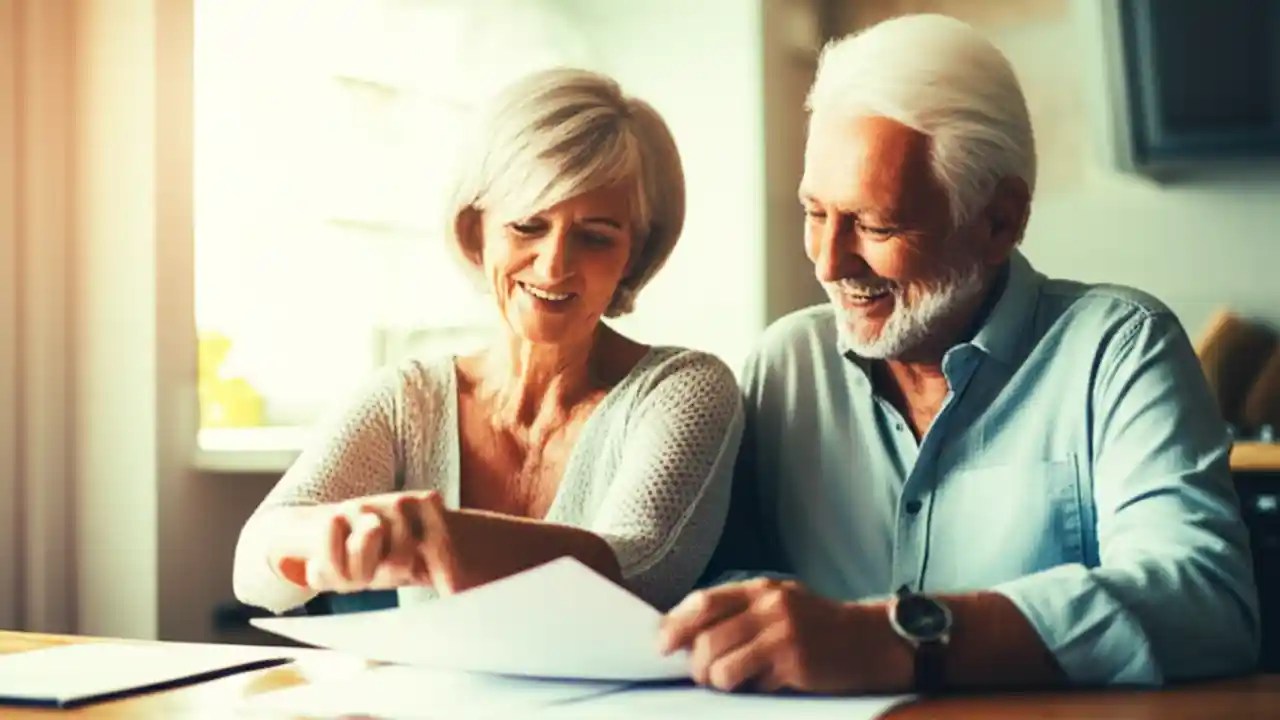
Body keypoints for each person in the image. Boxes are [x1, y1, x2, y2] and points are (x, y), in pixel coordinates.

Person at [659, 14, 1259, 694]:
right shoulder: (784, 365)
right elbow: (731, 580)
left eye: (875, 224)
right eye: (815, 213)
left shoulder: (1119, 348)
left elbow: (1207, 605)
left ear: (1000, 219)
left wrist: (890, 638)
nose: (829, 262)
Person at [233, 68, 743, 615]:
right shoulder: (409, 399)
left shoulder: (684, 390)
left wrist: (441, 537)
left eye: (595, 237)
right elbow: (254, 573)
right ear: (476, 233)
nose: (554, 266)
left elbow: (639, 574)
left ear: (634, 256)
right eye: (527, 226)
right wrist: (324, 536)